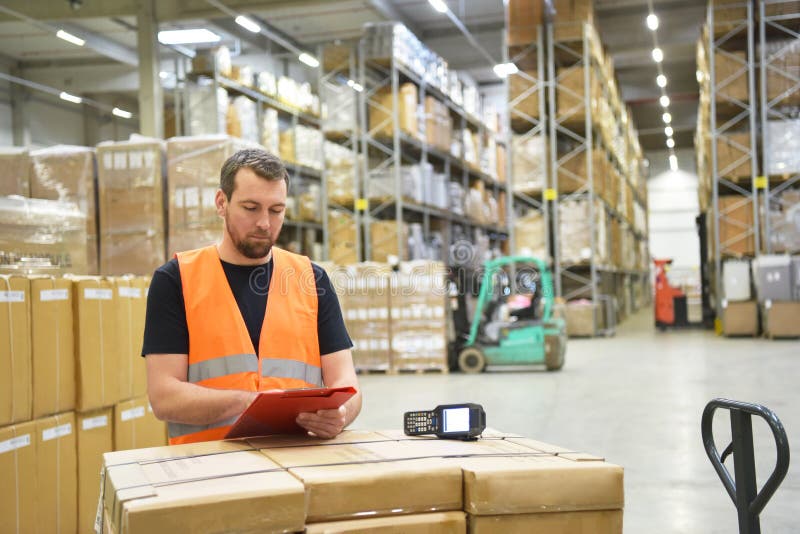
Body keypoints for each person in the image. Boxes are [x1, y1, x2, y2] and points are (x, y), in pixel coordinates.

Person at [142, 148, 362, 445]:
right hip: (207, 469)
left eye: (276, 210)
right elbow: (164, 397)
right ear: (222, 202)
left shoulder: (311, 278)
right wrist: (250, 403)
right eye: (250, 208)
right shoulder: (175, 280)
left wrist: (341, 415)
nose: (264, 223)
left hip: (296, 464)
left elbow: (348, 386)